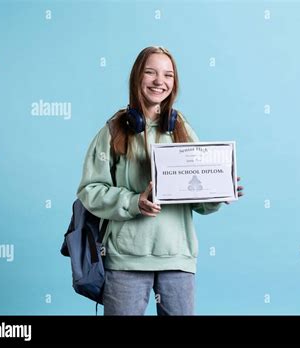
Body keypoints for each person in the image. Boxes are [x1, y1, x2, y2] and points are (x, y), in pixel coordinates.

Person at [76, 46, 244, 315]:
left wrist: (217, 193)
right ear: (137, 78)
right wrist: (134, 202)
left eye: (168, 75)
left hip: (177, 258)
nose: (159, 81)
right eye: (150, 72)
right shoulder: (113, 130)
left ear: (174, 83)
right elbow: (89, 191)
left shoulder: (182, 129)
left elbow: (198, 199)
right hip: (126, 260)